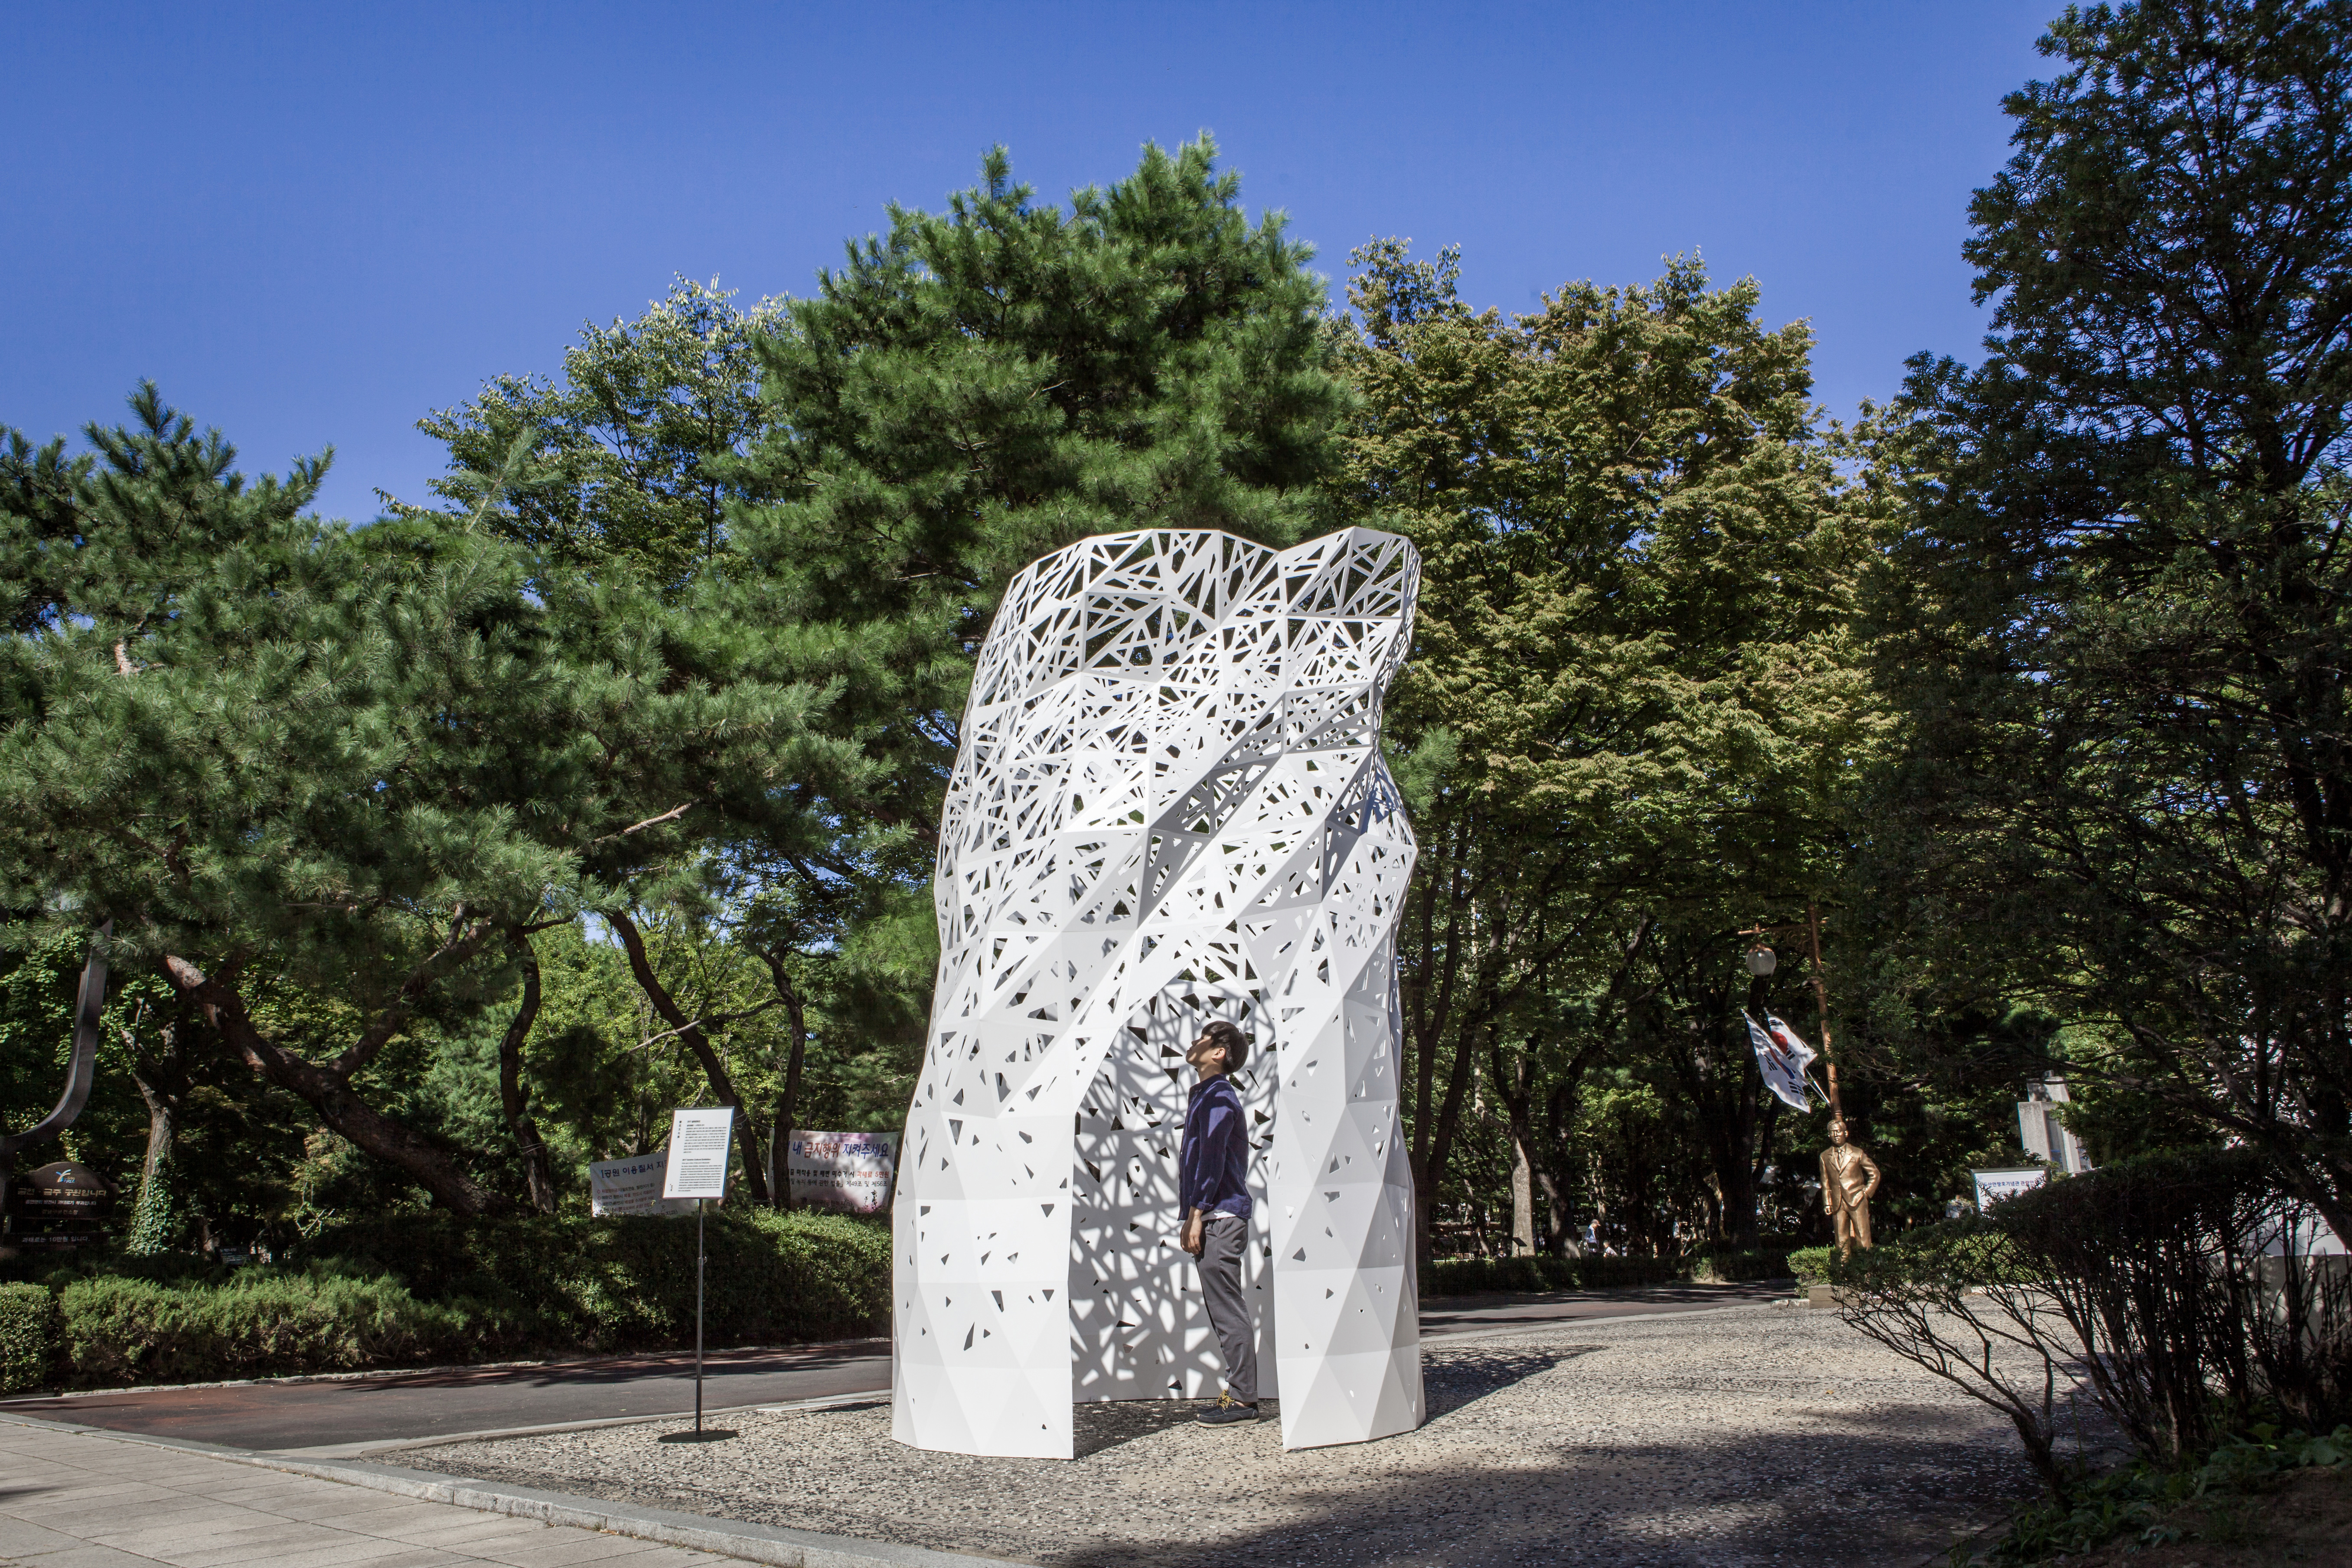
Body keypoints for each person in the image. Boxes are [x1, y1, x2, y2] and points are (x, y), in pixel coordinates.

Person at [1179, 1018, 1258, 1425]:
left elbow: (1210, 1160)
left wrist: (1196, 1214)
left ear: (1218, 1052)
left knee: (1227, 1310)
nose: (1193, 1042)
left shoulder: (1218, 1097)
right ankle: (1240, 1395)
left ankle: (1243, 1400)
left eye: (1203, 1037)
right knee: (1223, 1308)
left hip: (1218, 1216)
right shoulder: (1207, 1095)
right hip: (1215, 1213)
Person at [1820, 1117, 1883, 1256]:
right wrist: (1827, 1203)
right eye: (1832, 1133)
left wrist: (1866, 1193)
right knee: (1841, 1240)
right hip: (1837, 1202)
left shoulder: (1857, 1153)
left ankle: (1865, 1271)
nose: (1836, 1135)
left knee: (1863, 1236)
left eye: (1838, 1132)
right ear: (1829, 1135)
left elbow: (1875, 1174)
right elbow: (1825, 1182)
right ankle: (1844, 1273)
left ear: (1846, 1133)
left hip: (1857, 1198)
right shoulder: (1824, 1156)